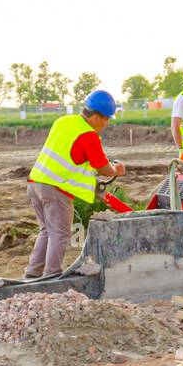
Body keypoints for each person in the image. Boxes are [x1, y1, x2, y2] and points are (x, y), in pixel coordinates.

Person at [25, 89, 126, 279]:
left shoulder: (63, 121)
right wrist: (116, 171)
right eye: (106, 119)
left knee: (46, 231)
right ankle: (51, 276)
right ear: (96, 117)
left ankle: (32, 274)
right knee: (60, 234)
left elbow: (70, 155)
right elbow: (102, 167)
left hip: (35, 183)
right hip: (56, 189)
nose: (107, 123)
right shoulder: (88, 134)